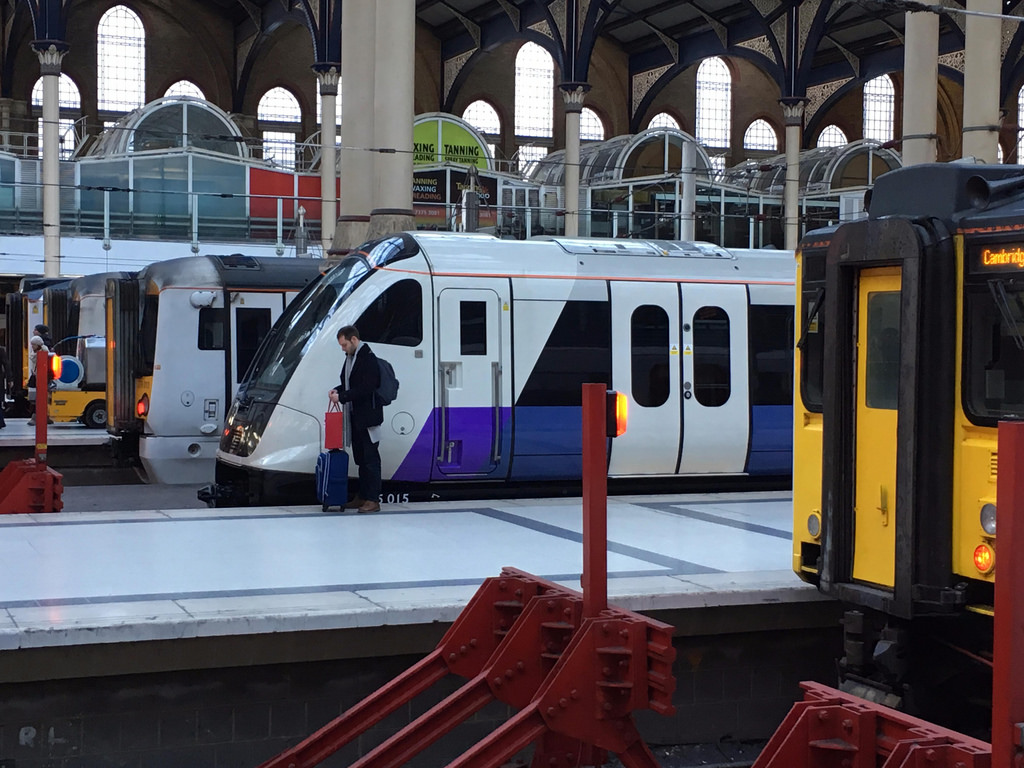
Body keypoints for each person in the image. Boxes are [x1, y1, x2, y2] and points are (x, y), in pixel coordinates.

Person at [328, 325, 382, 513]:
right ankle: (363, 496)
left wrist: (342, 397)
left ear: (353, 340)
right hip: (356, 417)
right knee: (361, 458)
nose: (342, 349)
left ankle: (373, 499)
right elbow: (349, 384)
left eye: (344, 345)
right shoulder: (352, 358)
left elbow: (367, 388)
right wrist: (338, 390)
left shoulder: (368, 359)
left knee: (370, 459)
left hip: (368, 418)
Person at [26, 335, 53, 426]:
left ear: (38, 345)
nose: (32, 346)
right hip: (37, 377)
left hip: (42, 378)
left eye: (33, 345)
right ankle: (45, 416)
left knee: (40, 398)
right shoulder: (35, 352)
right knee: (40, 398)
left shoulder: (43, 352)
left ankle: (36, 417)